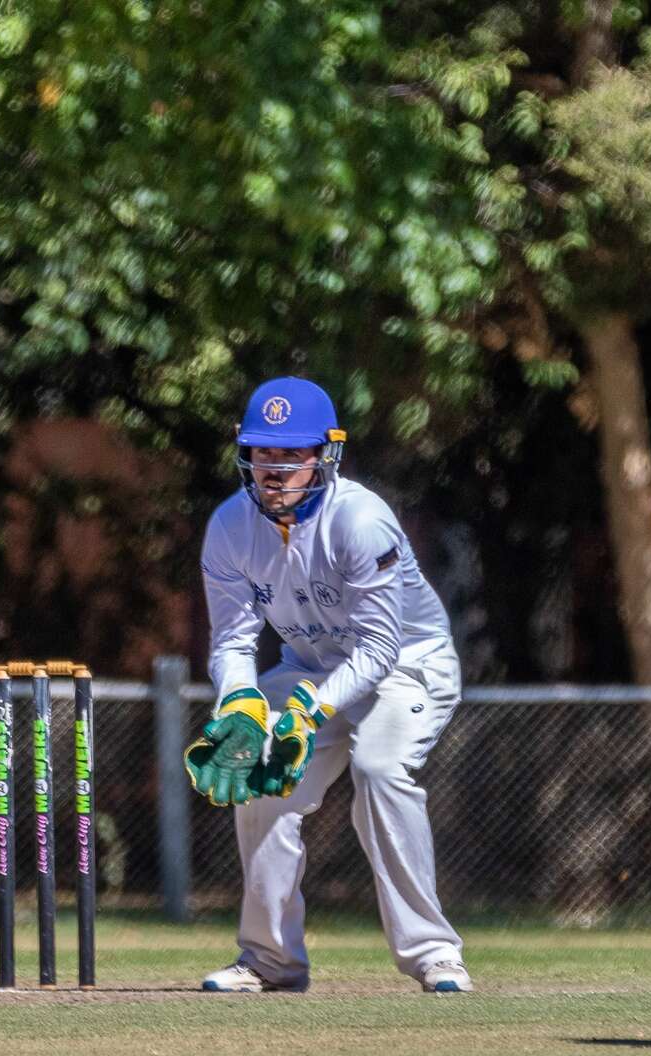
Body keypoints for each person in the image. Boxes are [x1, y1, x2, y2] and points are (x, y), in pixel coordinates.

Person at [184, 377, 472, 994]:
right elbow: (233, 642)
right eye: (265, 453)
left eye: (293, 455)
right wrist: (240, 702)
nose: (277, 469)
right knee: (260, 775)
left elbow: (379, 646)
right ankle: (269, 959)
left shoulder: (360, 520)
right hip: (311, 666)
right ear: (245, 453)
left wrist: (309, 710)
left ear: (326, 454)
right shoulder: (230, 527)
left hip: (406, 666)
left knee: (379, 767)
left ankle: (433, 953)